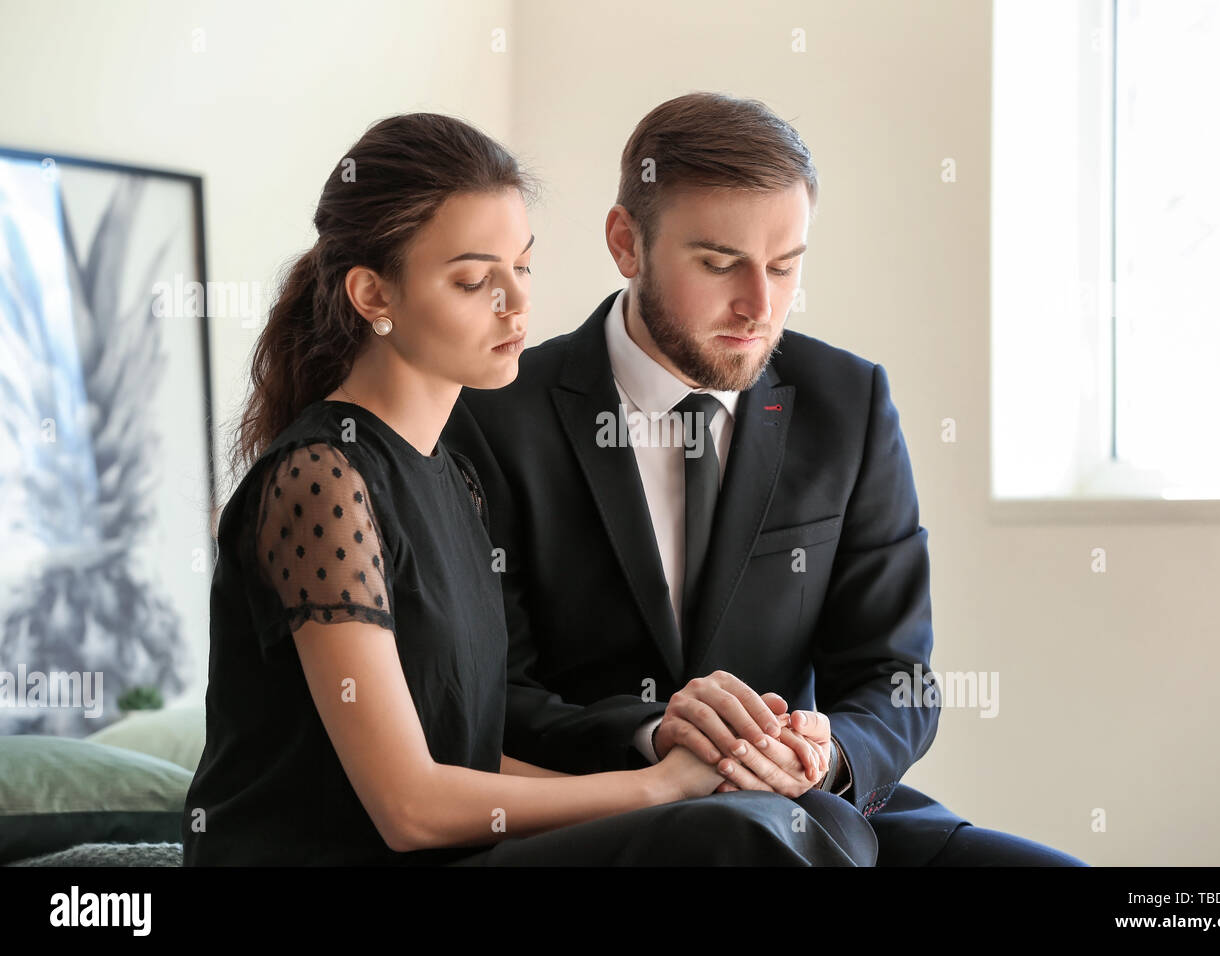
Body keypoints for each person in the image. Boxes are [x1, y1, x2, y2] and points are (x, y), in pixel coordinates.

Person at [182, 112, 879, 866]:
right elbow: (411, 808)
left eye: (523, 267)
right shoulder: (322, 480)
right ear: (372, 296)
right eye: (476, 280)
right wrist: (660, 790)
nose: (515, 304)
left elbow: (473, 760)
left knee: (786, 820)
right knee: (727, 834)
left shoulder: (454, 479)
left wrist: (696, 781)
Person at [442, 92, 1089, 866]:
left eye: (785, 267)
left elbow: (896, 677)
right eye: (719, 264)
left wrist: (828, 751)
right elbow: (488, 694)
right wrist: (656, 733)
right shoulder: (491, 416)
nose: (759, 305)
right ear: (626, 243)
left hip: (814, 811)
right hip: (597, 819)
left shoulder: (849, 402)